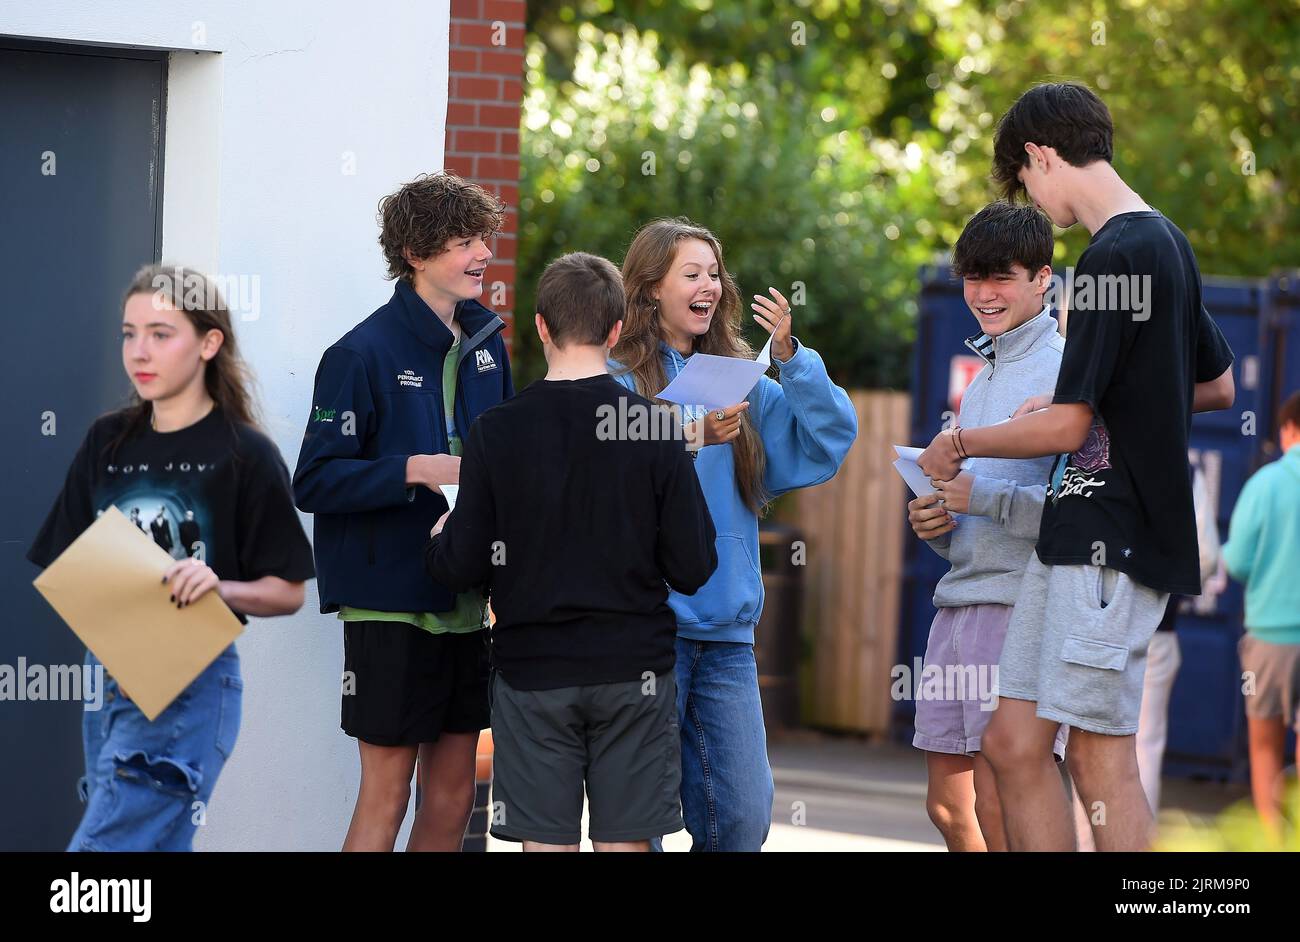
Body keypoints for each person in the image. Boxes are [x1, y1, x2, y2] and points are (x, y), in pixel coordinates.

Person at [918, 82, 1236, 852]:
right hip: (1075, 541)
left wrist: (961, 443)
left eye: (1024, 178)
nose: (1032, 195)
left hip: (1108, 539)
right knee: (1012, 744)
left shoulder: (1109, 257)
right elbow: (1218, 385)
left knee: (1098, 755)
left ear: (1039, 154)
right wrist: (1106, 402)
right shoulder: (1165, 242)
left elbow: (1068, 423)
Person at [426, 252, 718, 851]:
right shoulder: (657, 426)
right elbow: (694, 567)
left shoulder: (497, 432)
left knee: (544, 845)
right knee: (627, 843)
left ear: (539, 325)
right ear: (615, 330)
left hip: (534, 671)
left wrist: (441, 536)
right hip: (633, 668)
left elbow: (460, 565)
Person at [27, 264, 314, 851]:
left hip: (190, 682)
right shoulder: (107, 440)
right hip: (105, 676)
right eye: (130, 333)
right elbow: (70, 561)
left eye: (161, 333)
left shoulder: (246, 455)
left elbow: (288, 591)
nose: (140, 351)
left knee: (101, 858)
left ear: (210, 343)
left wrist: (219, 587)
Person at [610, 217, 857, 851]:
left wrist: (790, 361)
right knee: (638, 824)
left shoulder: (742, 382)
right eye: (691, 273)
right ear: (648, 287)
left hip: (725, 636)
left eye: (714, 274)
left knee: (743, 820)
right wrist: (688, 435)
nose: (709, 286)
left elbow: (826, 442)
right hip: (644, 632)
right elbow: (600, 481)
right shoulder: (615, 381)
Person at [293, 172, 513, 851]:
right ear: (417, 255)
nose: (481, 254)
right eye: (463, 241)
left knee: (451, 803)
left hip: (466, 603)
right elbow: (315, 481)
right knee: (386, 797)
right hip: (388, 607)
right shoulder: (359, 353)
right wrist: (414, 470)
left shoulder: (488, 345)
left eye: (484, 238)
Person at [907, 202, 1067, 851]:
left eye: (1000, 276)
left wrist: (983, 497)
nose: (983, 293)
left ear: (1042, 279)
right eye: (973, 277)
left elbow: (1077, 516)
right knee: (949, 807)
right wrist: (936, 519)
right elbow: (964, 509)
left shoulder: (1065, 373)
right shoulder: (982, 377)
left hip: (1022, 608)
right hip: (960, 606)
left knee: (1005, 804)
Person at [1222, 390, 1300, 832]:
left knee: (1266, 745)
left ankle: (1272, 839)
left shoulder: (1266, 483)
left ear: (1288, 429)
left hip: (1270, 639)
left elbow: (1237, 562)